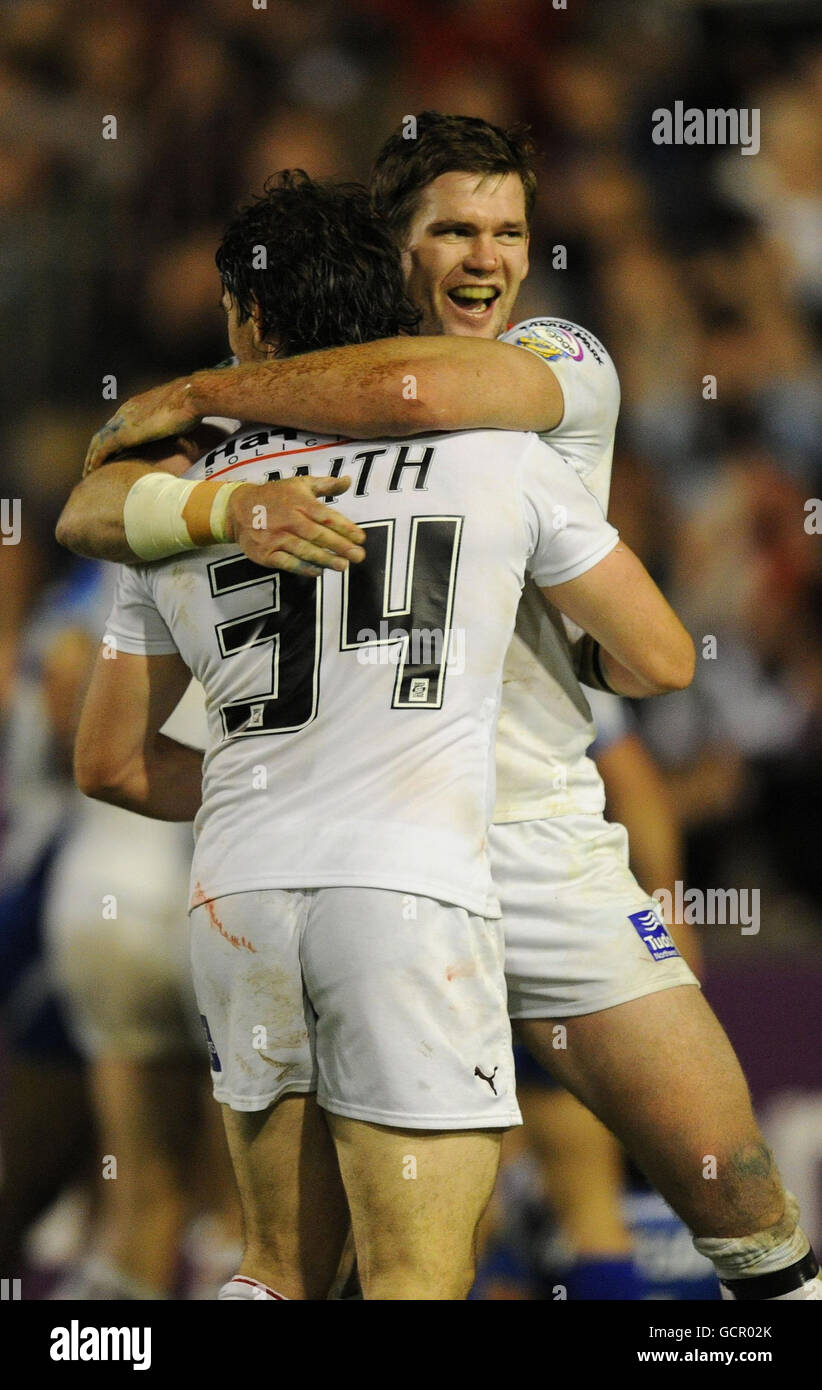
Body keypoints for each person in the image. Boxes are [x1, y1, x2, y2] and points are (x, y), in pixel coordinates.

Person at [60, 113, 821, 1300]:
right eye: (453, 230)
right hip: (390, 847)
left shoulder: (551, 363)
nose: (486, 258)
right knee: (388, 1264)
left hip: (530, 841)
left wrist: (202, 397)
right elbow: (95, 505)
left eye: (509, 230)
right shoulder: (284, 441)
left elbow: (411, 396)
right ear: (390, 248)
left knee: (739, 1195)